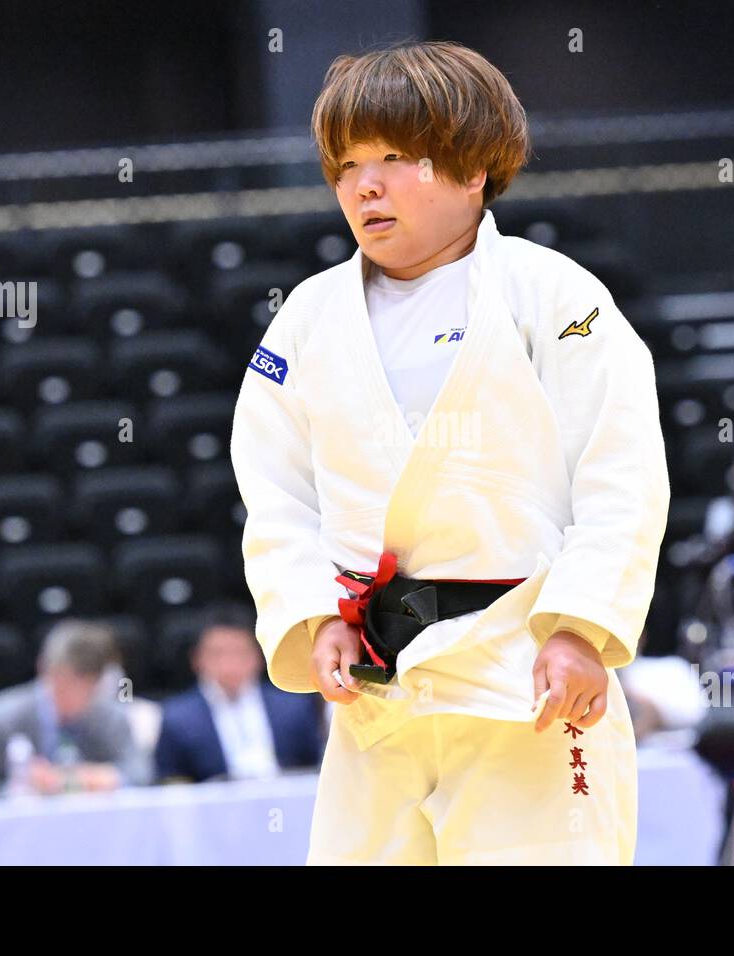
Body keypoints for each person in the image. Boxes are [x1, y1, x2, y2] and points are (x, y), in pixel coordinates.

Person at [230, 41, 669, 864]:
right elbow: (276, 490)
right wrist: (312, 614)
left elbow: (621, 474)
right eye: (347, 165)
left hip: (523, 680)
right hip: (377, 701)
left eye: (397, 158)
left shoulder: (556, 297)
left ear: (474, 169)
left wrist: (579, 628)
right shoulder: (307, 319)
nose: (365, 184)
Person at [0, 619, 151, 796]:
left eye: (86, 687)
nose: (75, 695)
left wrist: (89, 778)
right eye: (65, 682)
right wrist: (21, 787)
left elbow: (141, 774)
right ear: (45, 670)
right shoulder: (3, 717)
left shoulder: (111, 716)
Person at [155, 603, 323, 782]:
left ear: (258, 656)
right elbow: (170, 783)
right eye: (217, 654)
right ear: (197, 659)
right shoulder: (177, 718)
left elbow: (316, 769)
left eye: (239, 653)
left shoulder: (294, 707)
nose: (229, 664)